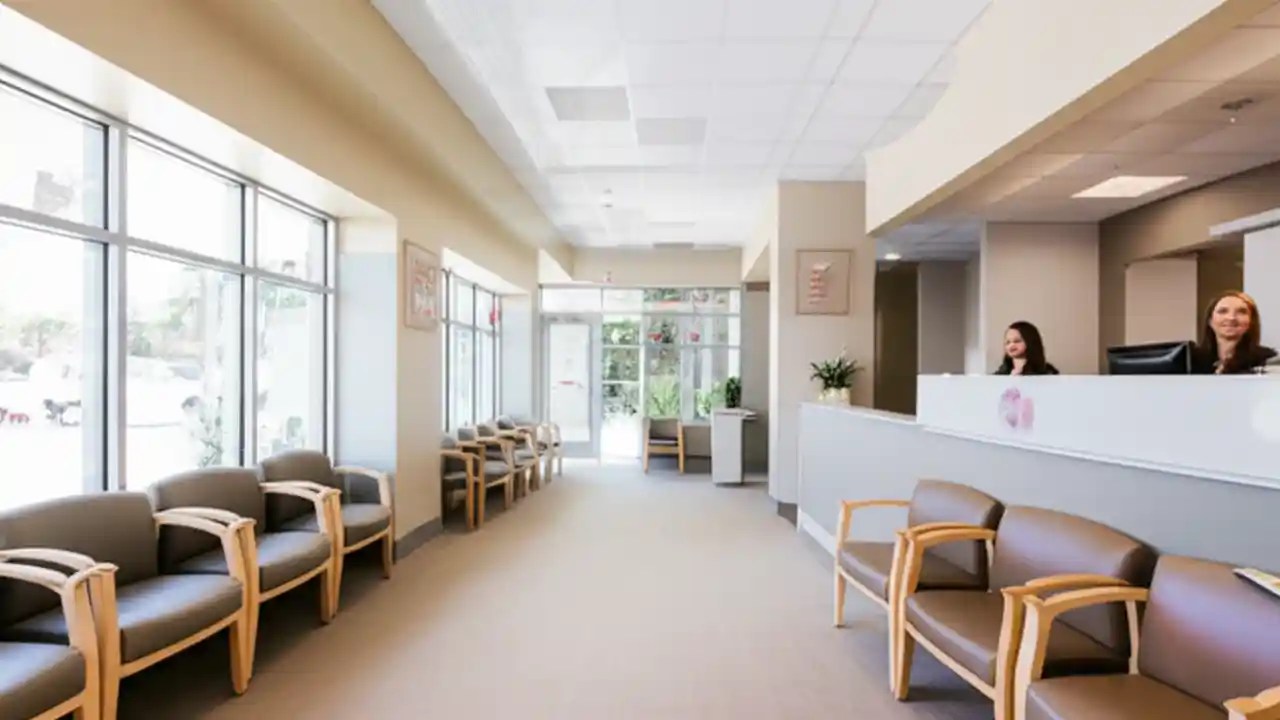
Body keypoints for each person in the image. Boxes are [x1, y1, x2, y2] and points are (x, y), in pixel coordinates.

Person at [1192, 291, 1277, 374]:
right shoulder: (1192, 360)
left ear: (1251, 321)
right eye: (1223, 311)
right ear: (1210, 320)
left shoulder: (1267, 359)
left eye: (1241, 312)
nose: (1231, 317)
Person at [994, 320, 1059, 376]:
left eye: (1017, 341)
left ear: (1030, 342)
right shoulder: (1001, 373)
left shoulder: (1048, 372)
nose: (1011, 345)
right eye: (1007, 342)